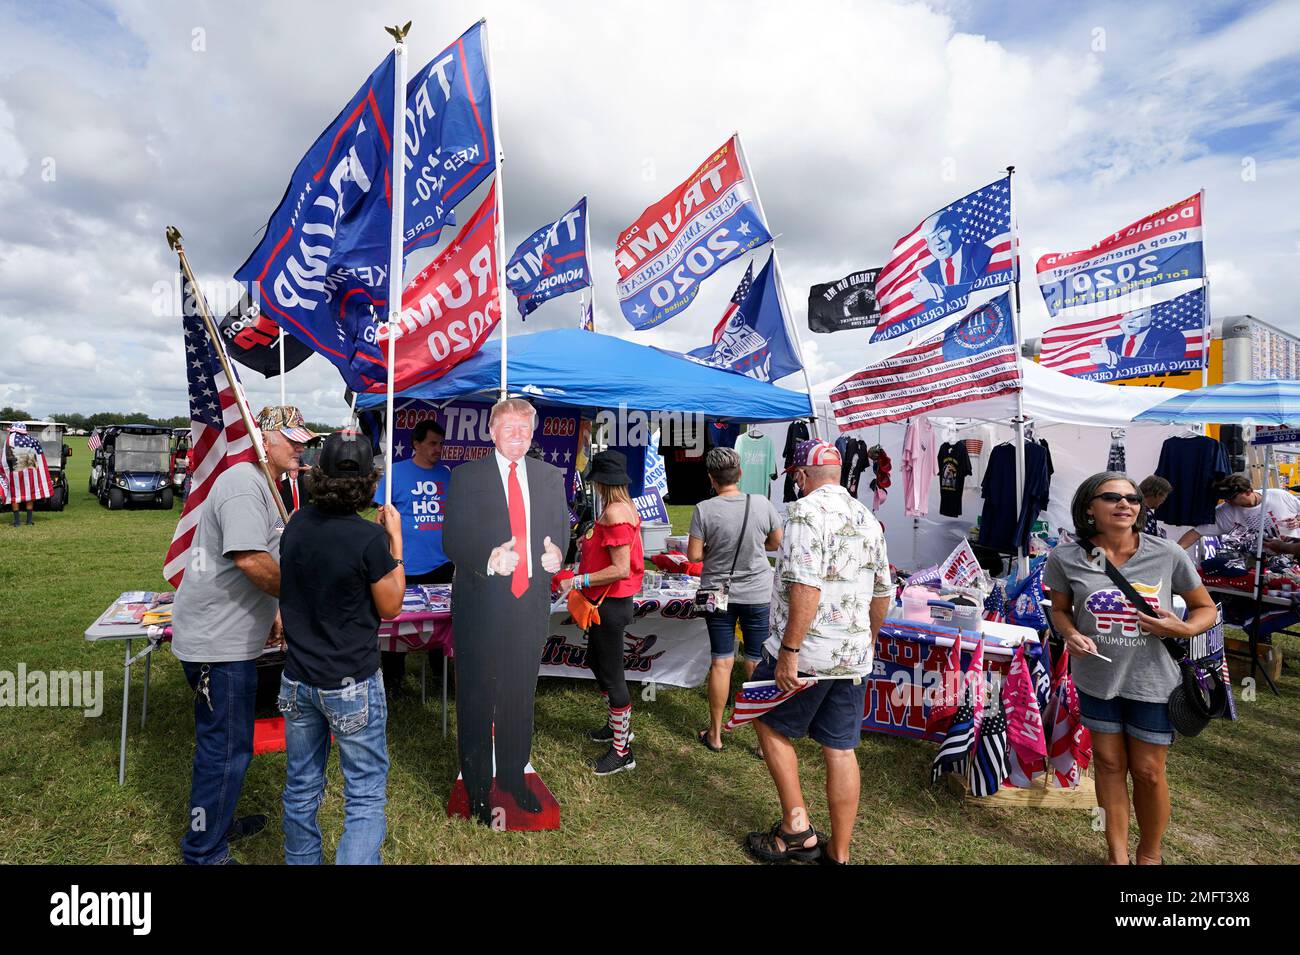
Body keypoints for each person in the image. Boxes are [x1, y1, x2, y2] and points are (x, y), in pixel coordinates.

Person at [1044, 472, 1216, 865]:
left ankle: (1150, 855)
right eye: (1111, 498)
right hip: (1097, 677)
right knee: (1107, 764)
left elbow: (1205, 608)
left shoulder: (1167, 553)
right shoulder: (1067, 557)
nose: (1125, 505)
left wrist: (1183, 627)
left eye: (1133, 499)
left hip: (1153, 680)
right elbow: (1059, 610)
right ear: (1089, 507)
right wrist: (1069, 633)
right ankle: (1117, 855)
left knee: (1148, 771)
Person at [171, 405, 314, 865]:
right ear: (262, 439)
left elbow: (265, 556)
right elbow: (251, 560)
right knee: (225, 750)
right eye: (290, 438)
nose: (300, 446)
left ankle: (214, 821)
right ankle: (204, 850)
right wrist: (298, 603)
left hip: (232, 637)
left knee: (230, 745)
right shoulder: (240, 483)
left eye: (303, 439)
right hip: (219, 643)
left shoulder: (267, 485)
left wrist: (272, 609)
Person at [746, 440, 893, 866]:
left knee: (767, 722)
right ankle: (839, 854)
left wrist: (790, 650)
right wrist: (867, 637)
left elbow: (805, 587)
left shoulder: (803, 514)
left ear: (801, 476)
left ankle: (796, 829)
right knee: (841, 748)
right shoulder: (867, 517)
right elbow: (883, 591)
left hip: (807, 650)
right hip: (851, 653)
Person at [277, 430, 405, 864]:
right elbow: (391, 607)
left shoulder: (296, 524)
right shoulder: (369, 540)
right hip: (350, 684)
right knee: (365, 794)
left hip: (298, 679)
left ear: (320, 474)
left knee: (301, 786)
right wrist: (395, 542)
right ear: (368, 482)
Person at [442, 399, 568, 824]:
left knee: (519, 696)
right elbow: (452, 539)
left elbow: (560, 530)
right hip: (481, 603)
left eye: (524, 428)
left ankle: (513, 777)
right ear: (491, 432)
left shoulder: (550, 476)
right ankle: (477, 787)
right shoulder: (466, 476)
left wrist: (557, 553)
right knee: (477, 696)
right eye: (508, 427)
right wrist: (489, 559)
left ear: (533, 434)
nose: (517, 435)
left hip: (529, 605)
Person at [686, 447, 782, 752]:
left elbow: (694, 555)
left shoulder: (704, 509)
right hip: (757, 591)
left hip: (717, 590)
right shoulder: (762, 504)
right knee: (755, 663)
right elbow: (776, 542)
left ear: (712, 479)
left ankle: (715, 734)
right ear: (739, 474)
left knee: (722, 662)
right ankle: (764, 741)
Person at [557, 450, 645, 775]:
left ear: (601, 481)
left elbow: (620, 569)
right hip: (604, 604)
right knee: (597, 661)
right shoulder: (615, 509)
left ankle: (622, 751)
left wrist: (577, 579)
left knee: (612, 674)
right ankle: (616, 727)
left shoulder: (616, 513)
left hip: (610, 604)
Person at [374, 419, 453, 694]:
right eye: (432, 443)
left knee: (443, 624)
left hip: (441, 563)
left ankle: (441, 677)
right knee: (398, 624)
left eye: (441, 444)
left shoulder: (447, 475)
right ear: (416, 444)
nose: (438, 449)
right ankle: (394, 681)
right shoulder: (395, 474)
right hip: (403, 564)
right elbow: (380, 516)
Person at [1175, 473, 1300, 550]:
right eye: (1226, 498)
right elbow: (1196, 532)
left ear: (1248, 491)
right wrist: (1175, 552)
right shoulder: (1225, 512)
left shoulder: (1279, 496)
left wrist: (1298, 521)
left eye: (1232, 497)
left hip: (1294, 553)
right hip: (1260, 563)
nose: (1229, 502)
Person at [908, 209, 993, 304]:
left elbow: (988, 288)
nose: (937, 241)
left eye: (943, 231)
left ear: (959, 229)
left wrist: (938, 291)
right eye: (930, 237)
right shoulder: (927, 274)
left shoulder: (982, 254)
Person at [1088, 307, 1186, 372]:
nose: (1130, 322)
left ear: (1150, 316)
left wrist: (1115, 360)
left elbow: (1168, 364)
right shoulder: (1109, 344)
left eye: (1137, 317)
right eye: (1124, 318)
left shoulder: (1171, 336)